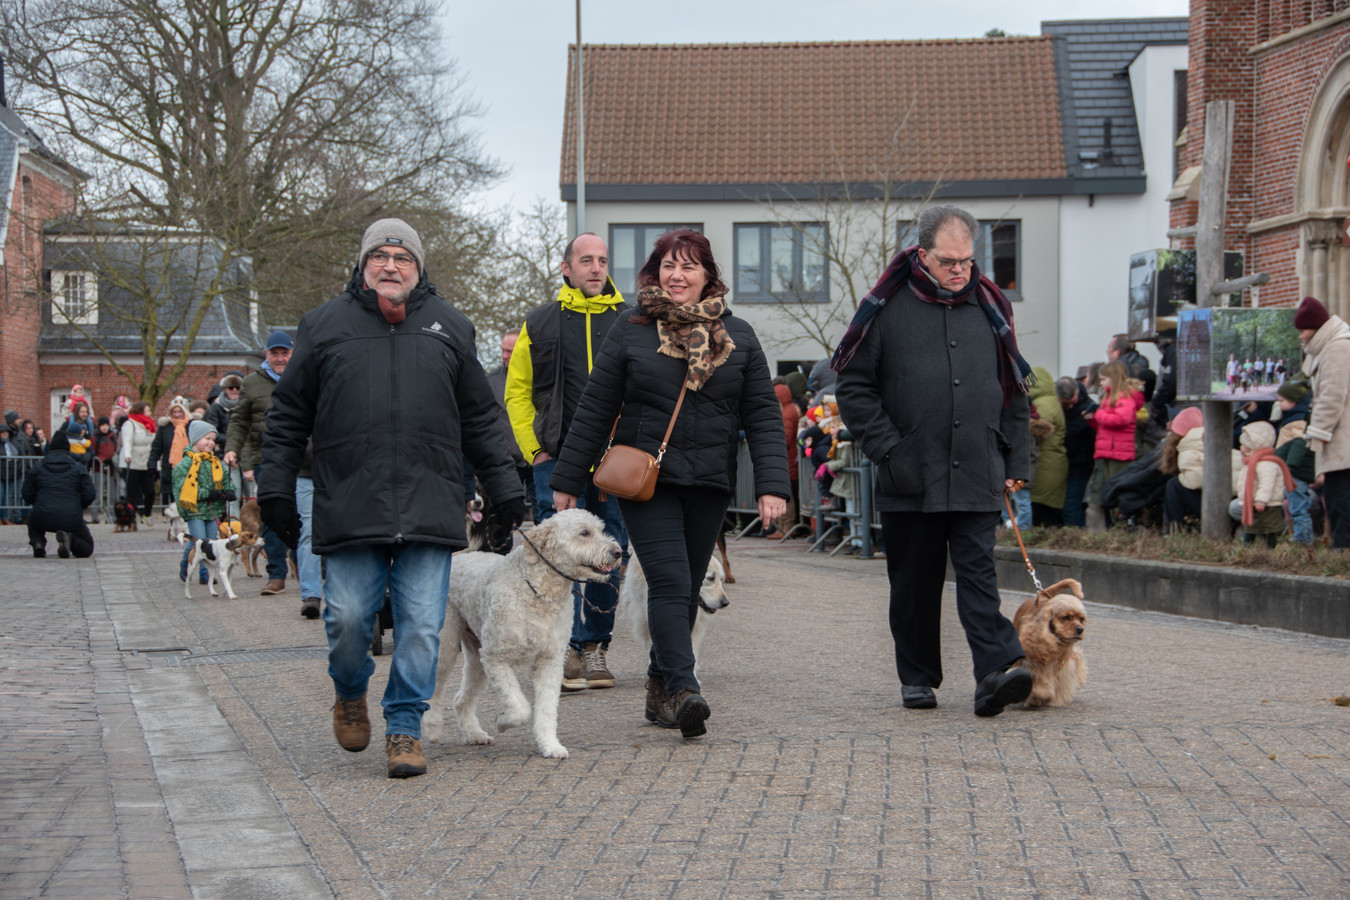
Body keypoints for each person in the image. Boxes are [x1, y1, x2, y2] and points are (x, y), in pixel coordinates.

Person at [259, 218, 524, 779]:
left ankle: (404, 727)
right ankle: (350, 691)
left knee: (423, 626)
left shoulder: (451, 327)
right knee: (351, 619)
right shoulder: (324, 325)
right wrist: (276, 489)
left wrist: (505, 489)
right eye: (379, 255)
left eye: (402, 257)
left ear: (419, 267)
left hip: (431, 502)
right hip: (352, 500)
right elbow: (286, 419)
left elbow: (480, 418)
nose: (390, 265)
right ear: (362, 265)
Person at [550, 228, 789, 740]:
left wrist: (773, 485)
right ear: (655, 273)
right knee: (670, 580)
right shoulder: (631, 330)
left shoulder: (739, 335)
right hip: (647, 481)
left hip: (709, 482)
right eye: (667, 266)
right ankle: (684, 688)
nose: (676, 276)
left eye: (688, 267)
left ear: (708, 277)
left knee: (685, 590)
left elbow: (764, 415)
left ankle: (659, 684)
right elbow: (595, 408)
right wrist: (567, 478)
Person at [833, 205, 1033, 717]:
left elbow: (1013, 390)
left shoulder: (991, 307)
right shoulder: (886, 308)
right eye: (949, 261)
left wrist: (1015, 457)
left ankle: (994, 673)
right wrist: (889, 450)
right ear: (922, 255)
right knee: (915, 584)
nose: (960, 271)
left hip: (977, 465)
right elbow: (854, 388)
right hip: (910, 472)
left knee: (978, 578)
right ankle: (918, 676)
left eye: (968, 260)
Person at [504, 232, 630, 691]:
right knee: (554, 555)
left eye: (602, 260)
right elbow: (516, 392)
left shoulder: (630, 319)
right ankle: (559, 650)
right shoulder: (539, 322)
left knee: (609, 553)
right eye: (586, 260)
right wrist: (534, 449)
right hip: (555, 459)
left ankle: (593, 648)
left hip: (616, 460)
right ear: (566, 268)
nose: (596, 267)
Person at [225, 331, 294, 597]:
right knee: (273, 517)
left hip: (301, 460)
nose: (279, 358)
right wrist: (232, 448)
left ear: (291, 354)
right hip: (266, 460)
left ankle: (306, 570)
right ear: (266, 354)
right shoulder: (252, 383)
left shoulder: (304, 376)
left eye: (284, 353)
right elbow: (240, 420)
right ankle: (276, 575)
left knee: (305, 515)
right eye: (274, 353)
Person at [1294, 296, 1350, 548]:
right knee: (1338, 496)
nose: (1300, 336)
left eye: (1303, 330)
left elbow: (1332, 396)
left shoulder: (1338, 347)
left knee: (1341, 497)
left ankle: (1344, 550)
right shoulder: (1331, 346)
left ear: (1316, 328)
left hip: (1343, 437)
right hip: (1340, 435)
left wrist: (1317, 433)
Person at [483, 330, 533, 539]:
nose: (505, 355)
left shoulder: (538, 380)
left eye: (510, 351)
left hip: (534, 458)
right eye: (503, 350)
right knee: (500, 513)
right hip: (505, 460)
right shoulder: (490, 382)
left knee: (542, 511)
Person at [172, 420, 234, 583]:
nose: (211, 443)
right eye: (207, 439)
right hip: (195, 510)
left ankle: (205, 574)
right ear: (195, 440)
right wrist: (206, 494)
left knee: (211, 541)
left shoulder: (215, 462)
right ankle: (186, 563)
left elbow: (225, 477)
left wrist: (229, 490)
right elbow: (182, 488)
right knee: (198, 541)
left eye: (213, 440)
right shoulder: (185, 465)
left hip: (213, 509)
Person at [1086, 360, 1143, 528]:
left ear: (1113, 378)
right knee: (1098, 492)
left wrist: (1099, 415)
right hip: (1105, 450)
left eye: (1103, 379)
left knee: (1116, 492)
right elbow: (1107, 424)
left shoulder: (1125, 398)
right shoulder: (1108, 398)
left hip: (1119, 452)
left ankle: (1119, 529)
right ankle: (1098, 531)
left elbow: (1121, 419)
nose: (1101, 383)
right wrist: (1094, 419)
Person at [22, 432, 96, 558]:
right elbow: (90, 493)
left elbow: (26, 492)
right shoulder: (78, 468)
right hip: (71, 517)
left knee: (32, 519)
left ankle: (38, 543)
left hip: (42, 514)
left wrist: (39, 503)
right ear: (68, 449)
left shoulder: (38, 467)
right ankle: (70, 540)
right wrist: (78, 506)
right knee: (87, 548)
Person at [1229, 421, 1293, 548]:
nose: (1241, 448)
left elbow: (1267, 484)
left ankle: (1270, 548)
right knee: (1251, 528)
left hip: (1268, 504)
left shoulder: (1266, 464)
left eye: (1245, 446)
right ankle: (1248, 547)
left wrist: (1261, 500)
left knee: (1269, 528)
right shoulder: (1252, 462)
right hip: (1252, 502)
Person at [1274, 380, 1316, 545]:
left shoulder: (1298, 420)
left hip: (1294, 472)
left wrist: (1289, 466)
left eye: (1282, 401)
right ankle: (1302, 538)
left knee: (1298, 507)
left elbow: (1300, 443)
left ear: (1294, 402)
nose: (1278, 404)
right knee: (1295, 506)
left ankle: (1303, 540)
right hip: (1291, 469)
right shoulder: (1292, 417)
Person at [1027, 366, 1066, 526]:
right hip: (1050, 465)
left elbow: (1033, 432)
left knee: (1042, 516)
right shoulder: (1049, 401)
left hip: (1044, 466)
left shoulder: (1043, 405)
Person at [1057, 376, 1096, 527]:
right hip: (1064, 462)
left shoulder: (1088, 406)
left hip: (1080, 463)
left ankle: (1075, 533)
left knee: (1070, 504)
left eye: (1073, 401)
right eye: (1066, 405)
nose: (1071, 407)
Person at [1161, 406, 1205, 532]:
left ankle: (1174, 530)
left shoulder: (1188, 450)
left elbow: (1194, 482)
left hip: (1211, 506)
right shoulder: (1209, 440)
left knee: (1174, 484)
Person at [148, 397, 191, 506]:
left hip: (190, 467)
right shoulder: (165, 428)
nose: (177, 415)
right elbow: (157, 447)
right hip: (170, 468)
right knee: (173, 500)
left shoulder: (192, 426)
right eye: (174, 412)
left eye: (180, 411)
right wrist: (152, 463)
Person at [120, 402, 159, 521]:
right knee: (132, 492)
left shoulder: (149, 424)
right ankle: (131, 517)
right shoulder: (130, 424)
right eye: (147, 410)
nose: (150, 413)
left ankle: (147, 513)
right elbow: (127, 441)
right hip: (132, 462)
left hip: (146, 461)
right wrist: (127, 455)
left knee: (150, 491)